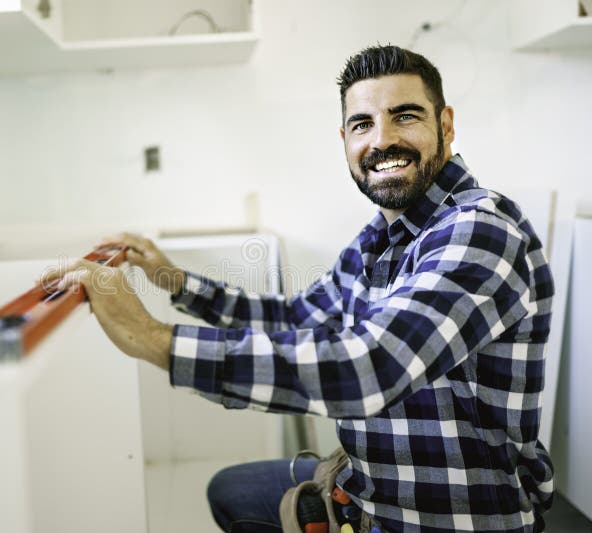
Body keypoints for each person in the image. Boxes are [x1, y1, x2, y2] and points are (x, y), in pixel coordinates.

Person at [52, 45, 555, 532]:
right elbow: (297, 318)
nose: (381, 141)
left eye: (405, 116)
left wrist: (152, 338)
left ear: (444, 125)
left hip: (446, 517)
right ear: (344, 139)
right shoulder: (379, 240)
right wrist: (175, 282)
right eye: (363, 124)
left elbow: (371, 367)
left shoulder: (479, 229)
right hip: (366, 492)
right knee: (233, 489)